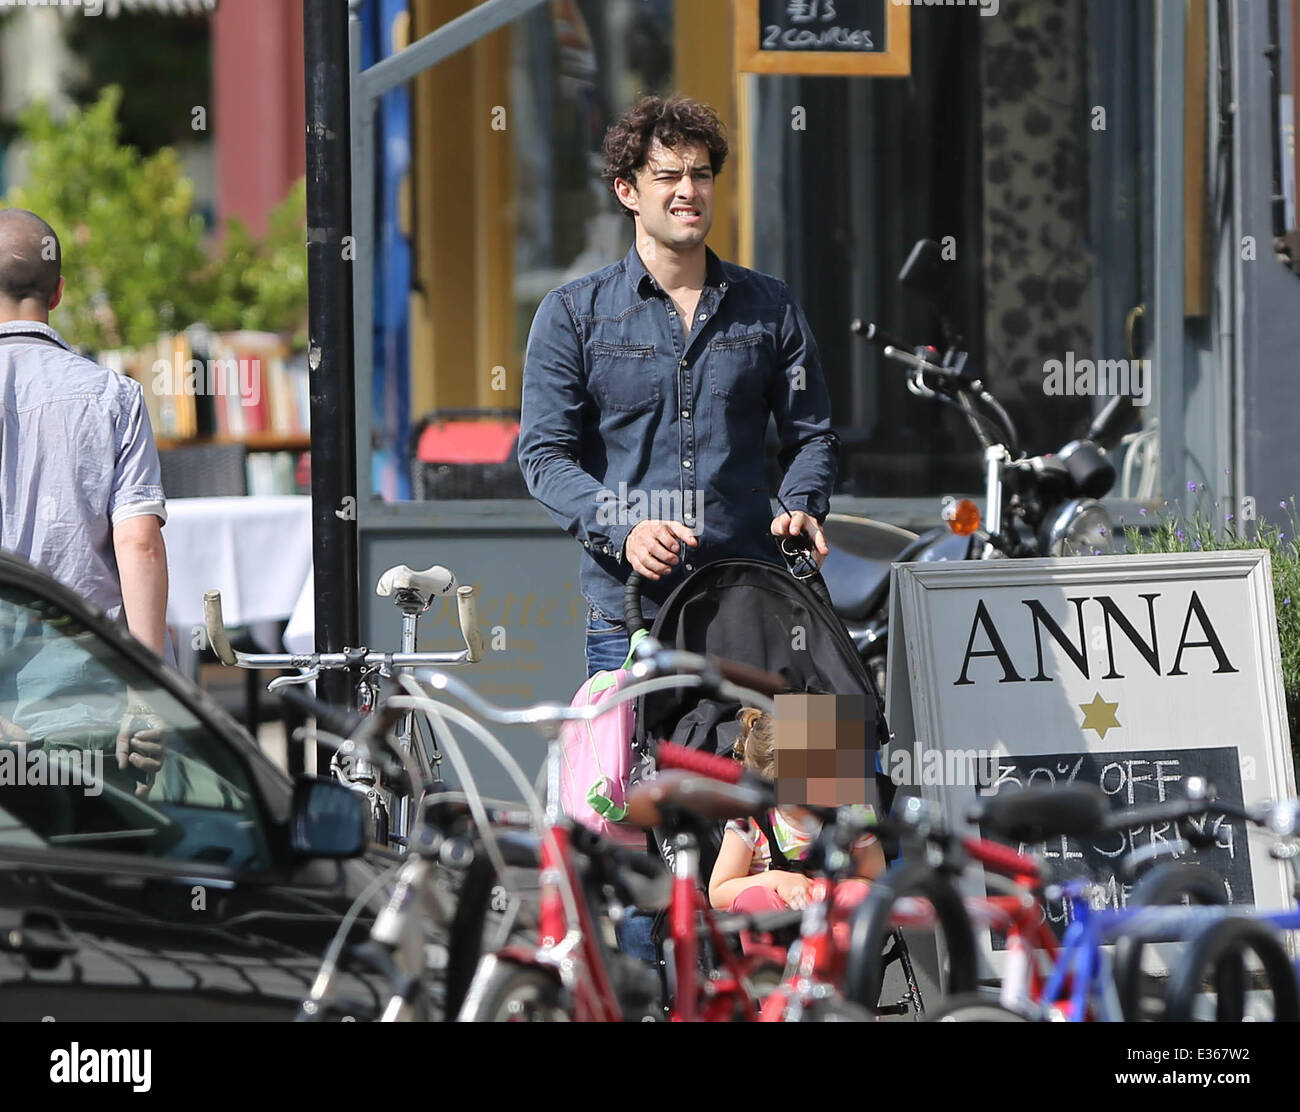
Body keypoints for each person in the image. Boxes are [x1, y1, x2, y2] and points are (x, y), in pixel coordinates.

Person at [518, 94, 839, 678]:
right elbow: (544, 455)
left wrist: (801, 505)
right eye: (667, 175)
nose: (687, 190)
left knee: (813, 767)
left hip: (758, 601)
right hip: (633, 616)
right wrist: (625, 528)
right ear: (627, 192)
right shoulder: (572, 313)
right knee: (646, 773)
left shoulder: (770, 306)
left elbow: (811, 435)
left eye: (701, 174)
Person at [0, 208, 168, 787]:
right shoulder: (113, 396)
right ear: (59, 292)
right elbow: (139, 543)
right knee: (96, 871)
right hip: (81, 701)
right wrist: (147, 693)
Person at [709, 708, 885, 956]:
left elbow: (875, 879)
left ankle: (838, 985)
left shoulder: (853, 809)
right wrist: (777, 880)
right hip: (773, 926)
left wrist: (827, 891)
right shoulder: (751, 818)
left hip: (832, 923)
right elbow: (718, 891)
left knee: (859, 894)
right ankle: (772, 989)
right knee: (754, 898)